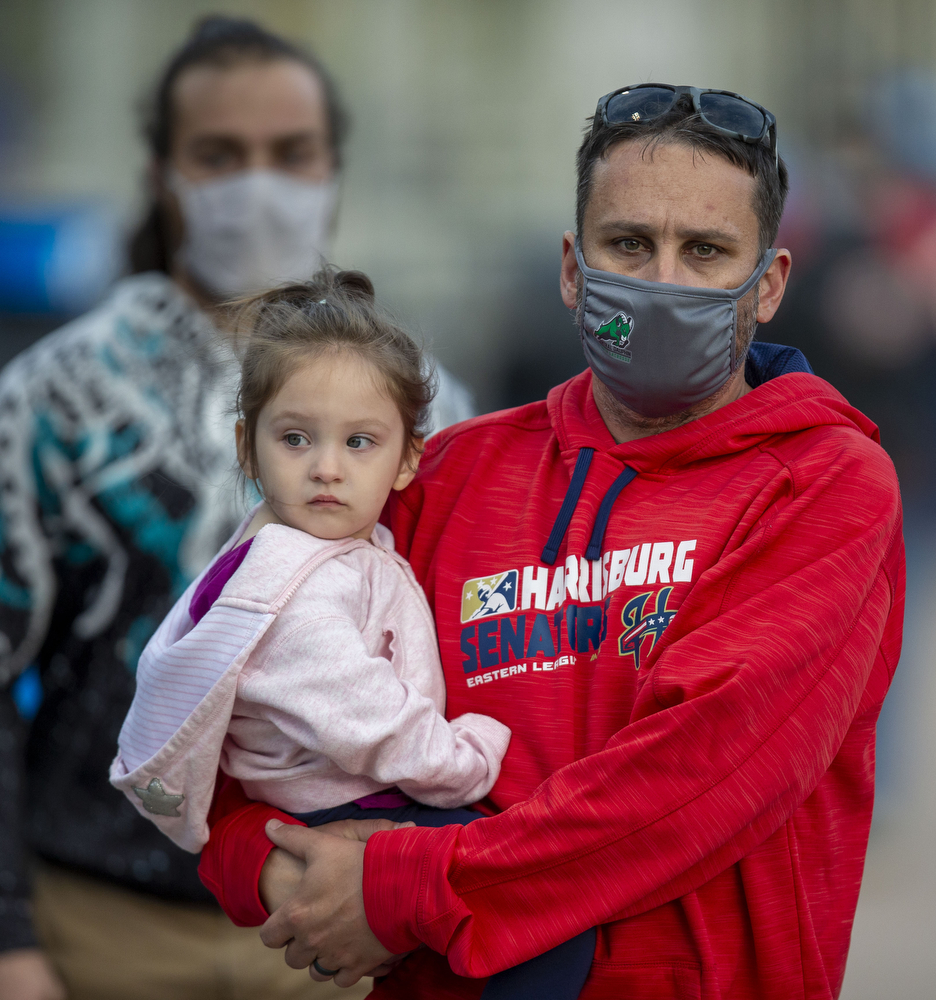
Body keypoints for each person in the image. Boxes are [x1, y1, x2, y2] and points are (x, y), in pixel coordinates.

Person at [202, 84, 905, 998]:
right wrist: (268, 867)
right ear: (573, 269)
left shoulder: (824, 486)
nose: (662, 282)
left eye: (705, 251)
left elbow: (696, 779)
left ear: (767, 284)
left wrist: (402, 887)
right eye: (629, 244)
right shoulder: (443, 476)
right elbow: (247, 698)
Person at [0, 16, 470, 1000]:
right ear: (163, 174)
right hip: (103, 931)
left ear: (333, 170)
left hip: (343, 930)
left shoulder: (434, 408)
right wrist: (8, 940)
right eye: (220, 155)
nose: (258, 184)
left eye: (290, 154)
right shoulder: (54, 398)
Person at [110, 266, 597, 1000]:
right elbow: (361, 715)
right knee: (544, 918)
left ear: (409, 458)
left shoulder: (323, 551)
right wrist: (465, 759)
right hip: (353, 805)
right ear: (247, 447)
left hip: (364, 796)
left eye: (360, 441)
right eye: (295, 439)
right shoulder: (288, 583)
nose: (327, 468)